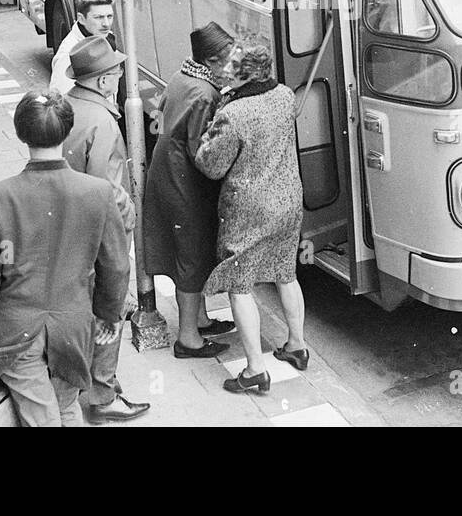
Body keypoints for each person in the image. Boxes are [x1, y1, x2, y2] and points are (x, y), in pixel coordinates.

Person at [0, 91, 131, 427]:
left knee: (43, 417)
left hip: (15, 333)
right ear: (67, 132)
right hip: (73, 328)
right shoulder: (98, 194)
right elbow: (115, 265)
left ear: (20, 133)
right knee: (65, 407)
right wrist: (108, 316)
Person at [195, 45, 308, 394]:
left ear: (245, 73)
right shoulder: (285, 95)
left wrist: (206, 139)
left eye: (231, 68)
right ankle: (296, 345)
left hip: (250, 208)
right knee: (285, 272)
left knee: (240, 284)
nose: (225, 72)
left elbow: (211, 166)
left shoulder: (236, 113)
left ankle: (255, 369)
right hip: (288, 200)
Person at [61, 35, 150, 423]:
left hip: (70, 231)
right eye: (114, 73)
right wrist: (129, 218)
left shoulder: (68, 108)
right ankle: (103, 396)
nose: (118, 78)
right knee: (109, 313)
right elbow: (109, 192)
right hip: (102, 237)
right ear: (101, 81)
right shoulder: (103, 123)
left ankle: (83, 384)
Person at [143, 22, 238, 358]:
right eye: (227, 61)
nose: (232, 67)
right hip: (184, 182)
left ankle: (200, 320)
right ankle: (188, 339)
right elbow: (204, 152)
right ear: (211, 62)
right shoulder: (205, 94)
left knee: (190, 252)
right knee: (192, 255)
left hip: (168, 173)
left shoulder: (182, 77)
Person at [50, 0, 116, 96]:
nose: (106, 24)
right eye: (98, 17)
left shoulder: (105, 38)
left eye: (109, 16)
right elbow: (61, 102)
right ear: (81, 19)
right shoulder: (69, 55)